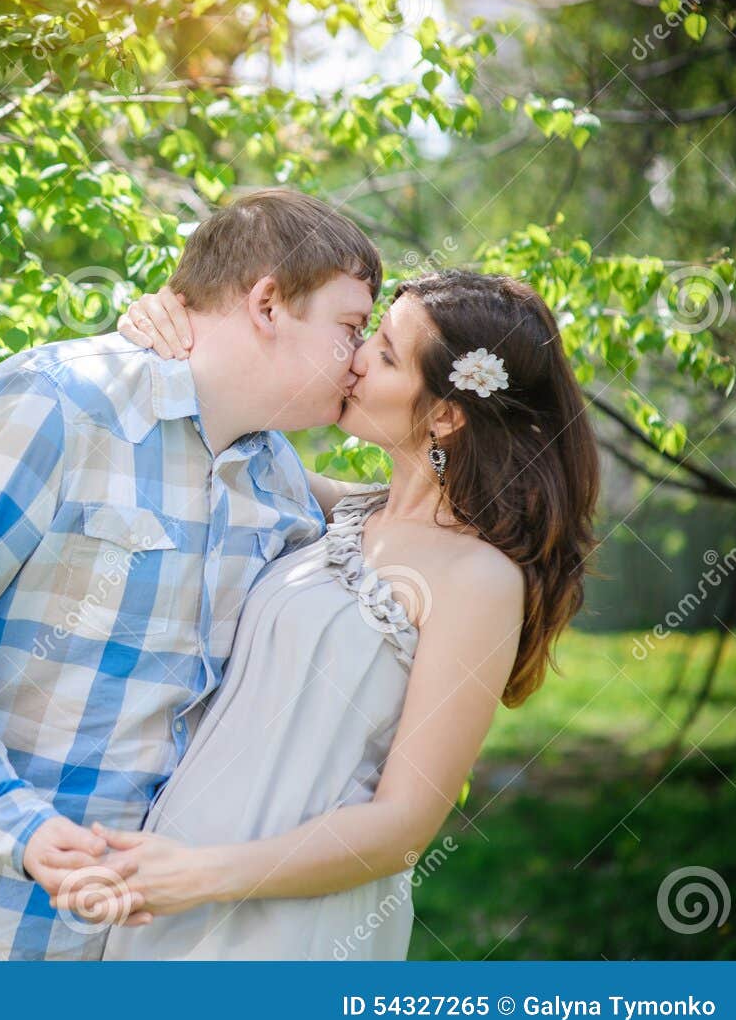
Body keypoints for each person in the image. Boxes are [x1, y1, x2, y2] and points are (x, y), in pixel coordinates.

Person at [0, 188, 383, 959]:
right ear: (268, 303)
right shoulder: (57, 404)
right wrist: (13, 822)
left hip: (137, 946)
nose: (360, 358)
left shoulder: (277, 480)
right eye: (351, 328)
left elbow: (417, 519)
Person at [89, 269, 599, 959]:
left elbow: (403, 826)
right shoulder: (337, 508)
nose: (353, 359)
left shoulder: (478, 579)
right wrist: (168, 325)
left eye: (384, 354)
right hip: (164, 887)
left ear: (446, 414)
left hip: (284, 922)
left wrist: (205, 875)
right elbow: (210, 429)